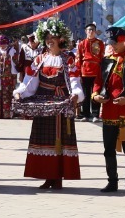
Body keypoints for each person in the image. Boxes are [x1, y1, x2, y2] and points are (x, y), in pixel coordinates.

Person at [15, 19, 82, 190]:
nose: (50, 40)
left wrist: (75, 95)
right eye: (47, 38)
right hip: (43, 104)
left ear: (61, 39)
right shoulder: (39, 59)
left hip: (61, 103)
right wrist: (20, 92)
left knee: (59, 139)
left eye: (53, 37)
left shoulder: (68, 59)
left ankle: (57, 176)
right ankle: (47, 176)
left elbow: (74, 81)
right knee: (44, 140)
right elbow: (30, 81)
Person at [92, 29, 125, 194]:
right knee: (108, 149)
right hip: (109, 110)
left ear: (123, 41)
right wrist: (96, 95)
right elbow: (98, 81)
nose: (112, 46)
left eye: (115, 43)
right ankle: (112, 181)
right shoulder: (106, 60)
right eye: (111, 43)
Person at [0, 33, 21, 121]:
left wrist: (14, 77)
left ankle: (7, 113)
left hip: (9, 77)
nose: (2, 45)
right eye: (0, 43)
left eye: (4, 43)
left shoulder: (11, 50)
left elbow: (15, 63)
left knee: (7, 95)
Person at [75, 23, 104, 123]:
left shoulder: (100, 43)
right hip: (85, 72)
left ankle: (95, 114)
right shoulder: (81, 44)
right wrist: (78, 71)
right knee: (86, 94)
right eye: (89, 30)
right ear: (86, 31)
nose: (90, 31)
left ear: (95, 31)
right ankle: (86, 114)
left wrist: (102, 71)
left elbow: (102, 57)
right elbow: (78, 58)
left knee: (95, 93)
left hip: (96, 71)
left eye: (92, 30)